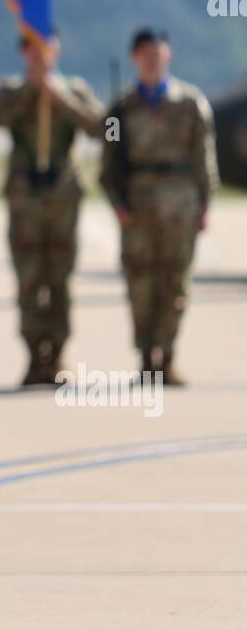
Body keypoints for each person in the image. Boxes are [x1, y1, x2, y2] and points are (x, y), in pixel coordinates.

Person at [0, 34, 104, 385]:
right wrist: (30, 93)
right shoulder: (10, 89)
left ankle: (58, 352)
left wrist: (59, 98)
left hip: (62, 197)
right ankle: (35, 356)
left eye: (46, 51)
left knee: (60, 278)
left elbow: (99, 127)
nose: (40, 58)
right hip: (26, 199)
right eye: (33, 52)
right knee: (28, 278)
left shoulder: (74, 88)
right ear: (24, 53)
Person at [100, 28, 218, 384]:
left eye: (158, 53)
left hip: (181, 205)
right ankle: (146, 355)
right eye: (146, 54)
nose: (153, 59)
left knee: (175, 283)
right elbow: (108, 166)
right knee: (140, 283)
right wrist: (118, 205)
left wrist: (205, 205)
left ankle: (167, 356)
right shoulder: (119, 109)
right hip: (137, 207)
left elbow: (203, 160)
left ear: (168, 56)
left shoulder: (191, 103)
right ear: (136, 58)